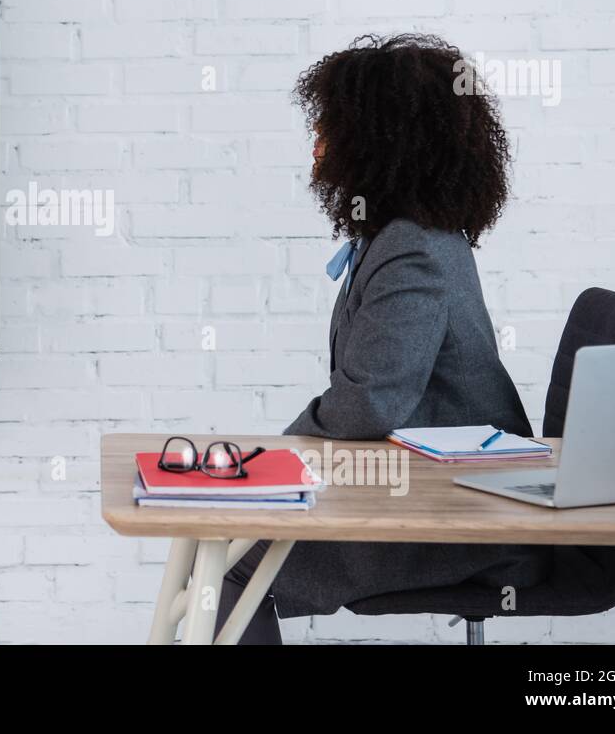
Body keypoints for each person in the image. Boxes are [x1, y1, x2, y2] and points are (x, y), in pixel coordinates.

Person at [218, 34, 551, 643]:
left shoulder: (411, 249)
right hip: (426, 490)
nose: (317, 142)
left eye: (329, 125)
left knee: (228, 560)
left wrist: (269, 462)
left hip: (459, 519)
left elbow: (371, 402)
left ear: (378, 140)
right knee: (224, 547)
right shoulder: (404, 235)